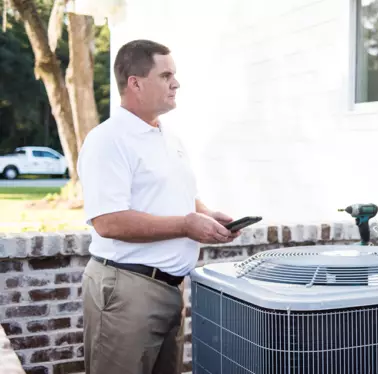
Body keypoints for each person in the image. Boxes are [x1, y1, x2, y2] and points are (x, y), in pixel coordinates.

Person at [78, 39, 241, 374]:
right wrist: (186, 225)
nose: (176, 83)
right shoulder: (108, 140)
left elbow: (178, 196)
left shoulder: (171, 139)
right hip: (126, 291)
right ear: (135, 83)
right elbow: (109, 222)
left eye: (175, 75)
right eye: (166, 75)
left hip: (171, 290)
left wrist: (208, 215)